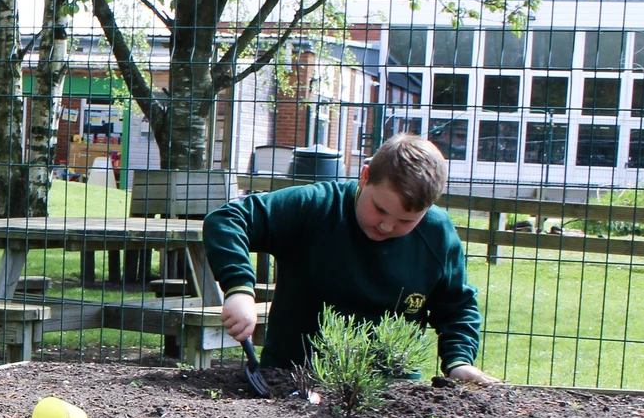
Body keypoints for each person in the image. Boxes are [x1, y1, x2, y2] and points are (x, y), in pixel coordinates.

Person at [203, 133, 498, 385]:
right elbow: (228, 220)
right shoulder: (317, 206)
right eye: (380, 209)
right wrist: (239, 288)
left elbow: (457, 306)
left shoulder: (437, 234)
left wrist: (459, 361)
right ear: (365, 176)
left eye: (405, 221)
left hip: (390, 389)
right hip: (291, 377)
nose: (386, 226)